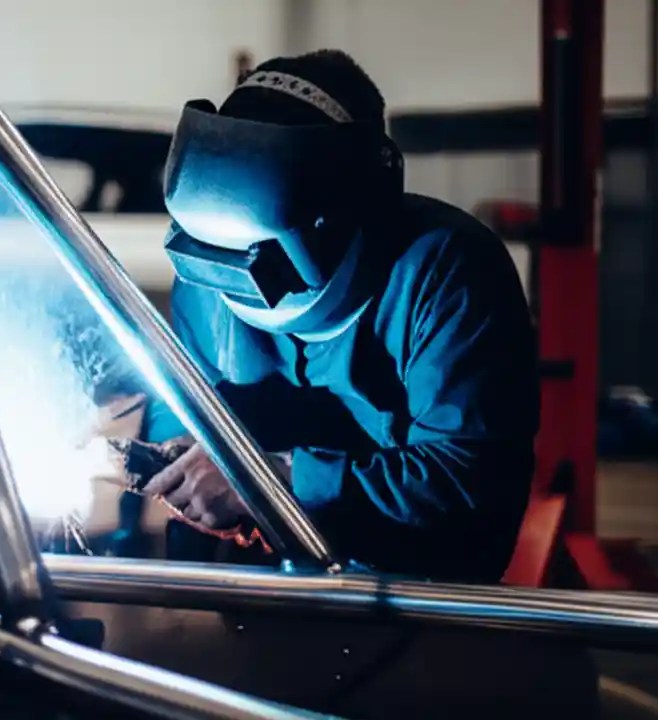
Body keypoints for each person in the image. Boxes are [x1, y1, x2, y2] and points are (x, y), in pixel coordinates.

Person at [138, 50, 538, 583]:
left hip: (416, 601)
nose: (244, 271)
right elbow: (178, 419)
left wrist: (272, 479)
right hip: (258, 595)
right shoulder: (208, 267)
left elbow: (469, 485)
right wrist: (174, 460)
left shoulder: (447, 269)